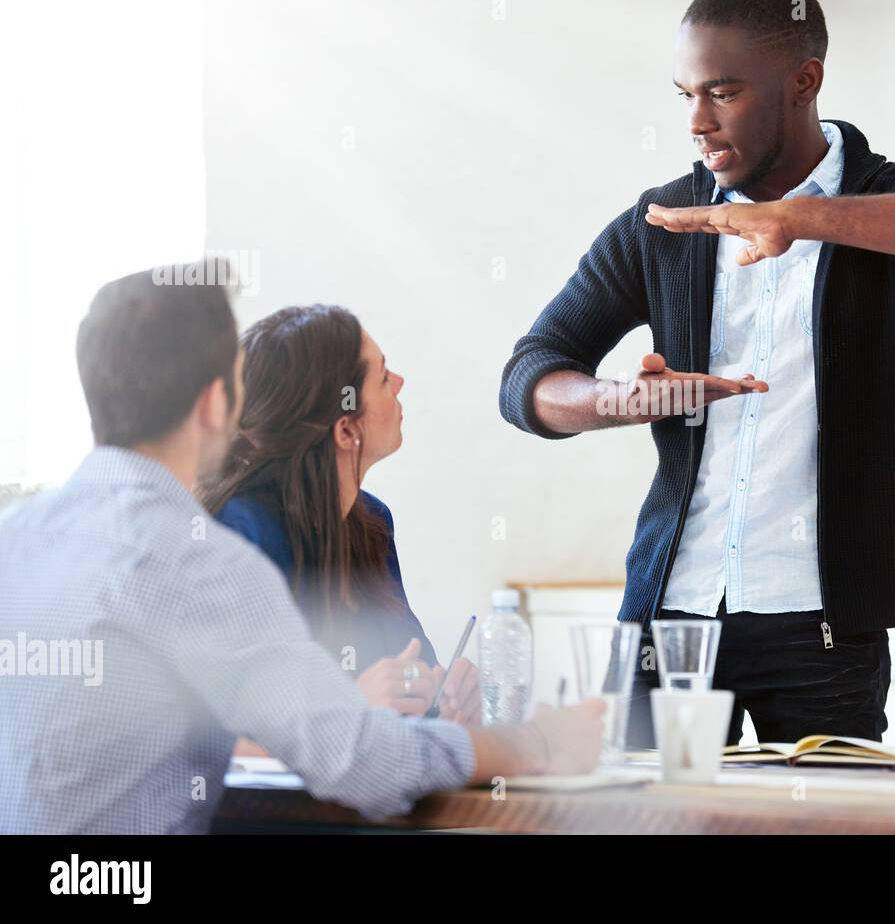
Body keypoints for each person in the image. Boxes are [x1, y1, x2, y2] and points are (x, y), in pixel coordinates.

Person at [499, 0, 895, 745]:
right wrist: (623, 400)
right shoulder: (665, 225)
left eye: (723, 92)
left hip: (823, 628)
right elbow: (527, 380)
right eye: (685, 95)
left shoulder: (888, 207)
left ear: (803, 82)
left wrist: (803, 220)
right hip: (669, 617)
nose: (697, 121)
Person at [0, 266, 602, 833]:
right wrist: (539, 744)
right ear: (215, 404)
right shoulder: (198, 560)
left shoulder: (16, 538)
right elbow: (357, 758)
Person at [202, 305, 478, 725]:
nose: (401, 383)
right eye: (384, 378)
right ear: (346, 430)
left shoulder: (371, 522)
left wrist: (446, 703)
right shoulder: (243, 530)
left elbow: (413, 681)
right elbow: (220, 728)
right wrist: (350, 706)